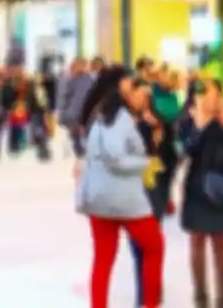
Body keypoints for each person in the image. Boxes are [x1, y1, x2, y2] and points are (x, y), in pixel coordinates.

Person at [76, 68, 164, 308]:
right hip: (123, 199)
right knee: (155, 246)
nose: (142, 97)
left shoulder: (100, 115)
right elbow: (116, 158)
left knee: (103, 259)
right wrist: (144, 163)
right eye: (134, 89)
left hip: (99, 199)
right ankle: (150, 304)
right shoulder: (117, 119)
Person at [181, 79, 223, 308]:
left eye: (215, 94)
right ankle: (200, 296)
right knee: (197, 242)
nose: (210, 99)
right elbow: (186, 150)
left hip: (221, 188)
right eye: (206, 94)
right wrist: (199, 125)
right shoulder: (191, 119)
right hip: (197, 187)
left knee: (220, 245)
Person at [128, 81, 177, 308]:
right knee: (137, 249)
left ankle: (151, 296)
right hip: (130, 194)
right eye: (135, 96)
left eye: (143, 97)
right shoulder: (123, 123)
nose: (139, 101)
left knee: (150, 247)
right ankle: (145, 296)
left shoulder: (158, 124)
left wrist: (159, 135)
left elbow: (171, 160)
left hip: (153, 192)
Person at [60, 58, 95, 158]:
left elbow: (77, 100)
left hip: (80, 115)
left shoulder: (85, 80)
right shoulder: (74, 80)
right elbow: (67, 98)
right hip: (78, 116)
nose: (72, 68)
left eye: (74, 66)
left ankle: (83, 152)